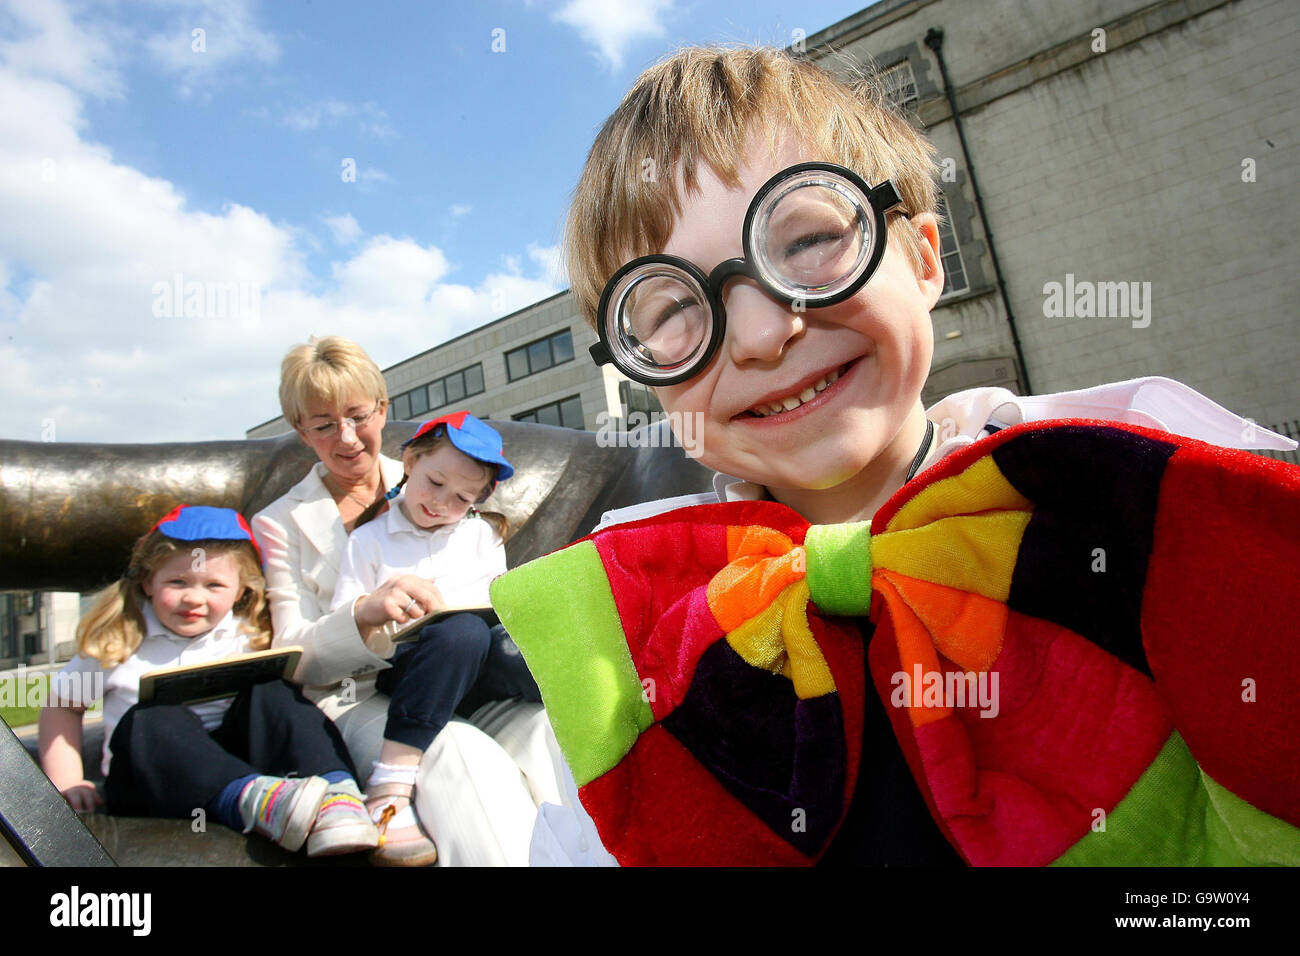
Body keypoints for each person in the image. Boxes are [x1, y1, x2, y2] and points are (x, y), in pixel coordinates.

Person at [497, 46, 1299, 865]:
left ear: (922, 259)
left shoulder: (1144, 503)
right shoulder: (625, 635)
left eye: (806, 240)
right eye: (669, 307)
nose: (766, 335)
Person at [251, 336, 561, 866]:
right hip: (361, 691)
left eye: (357, 415)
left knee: (549, 738)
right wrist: (363, 614)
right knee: (463, 761)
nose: (346, 438)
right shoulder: (280, 523)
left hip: (464, 669)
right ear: (301, 431)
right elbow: (295, 657)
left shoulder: (445, 471)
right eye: (323, 424)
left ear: (383, 409)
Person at [37, 505, 377, 857]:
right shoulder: (117, 642)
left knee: (273, 691)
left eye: (214, 585)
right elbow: (63, 705)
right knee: (150, 716)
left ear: (242, 591)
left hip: (247, 764)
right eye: (177, 582)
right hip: (151, 779)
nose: (194, 598)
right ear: (148, 582)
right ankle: (252, 800)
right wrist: (68, 781)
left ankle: (338, 795)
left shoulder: (250, 634)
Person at [330, 411, 541, 865]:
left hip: (480, 663)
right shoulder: (367, 540)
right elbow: (345, 619)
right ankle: (392, 777)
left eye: (462, 496)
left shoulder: (481, 534)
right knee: (459, 633)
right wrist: (378, 608)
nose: (442, 502)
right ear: (409, 461)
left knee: (516, 647)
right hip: (410, 665)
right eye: (435, 482)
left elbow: (498, 600)